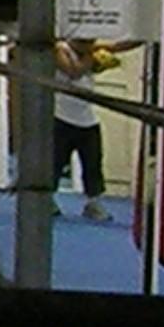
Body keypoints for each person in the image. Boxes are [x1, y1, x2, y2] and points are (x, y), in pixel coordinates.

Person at [52, 36, 142, 222]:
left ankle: (93, 203)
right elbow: (73, 71)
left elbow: (117, 46)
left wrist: (143, 37)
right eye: (86, 43)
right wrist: (93, 57)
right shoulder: (60, 49)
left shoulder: (88, 49)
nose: (90, 46)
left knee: (93, 163)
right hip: (61, 118)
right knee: (55, 164)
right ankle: (46, 200)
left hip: (87, 120)